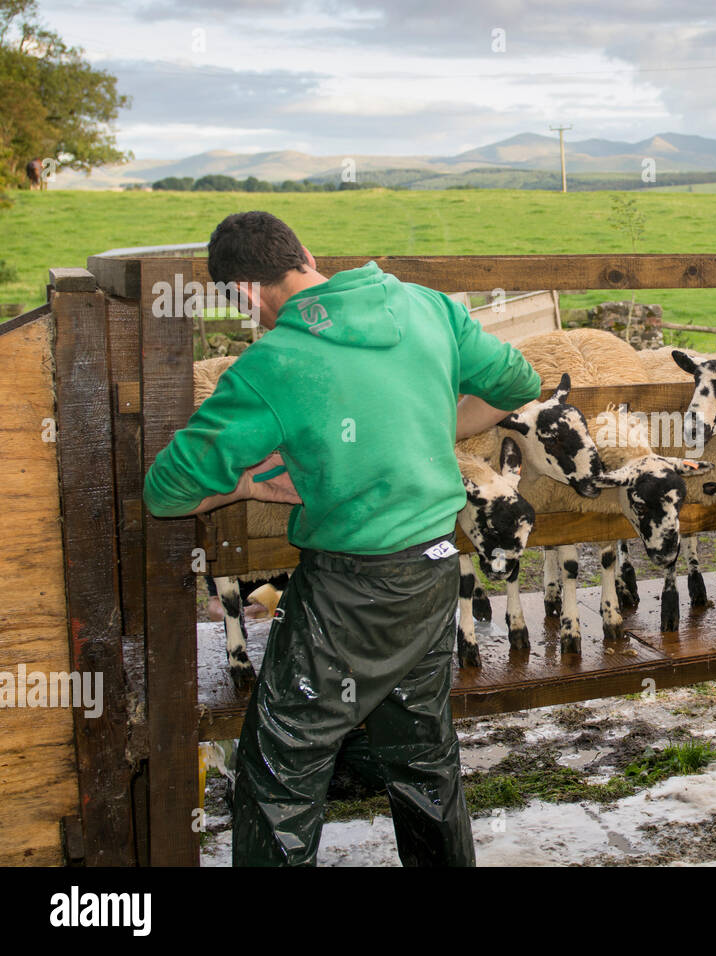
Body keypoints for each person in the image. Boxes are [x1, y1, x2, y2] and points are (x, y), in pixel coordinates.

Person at [142, 211, 541, 866]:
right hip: (436, 565)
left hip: (349, 592)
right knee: (422, 760)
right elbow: (518, 382)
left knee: (279, 774)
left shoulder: (269, 366)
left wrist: (245, 486)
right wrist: (419, 434)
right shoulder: (426, 307)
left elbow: (167, 491)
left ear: (243, 293)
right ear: (304, 252)